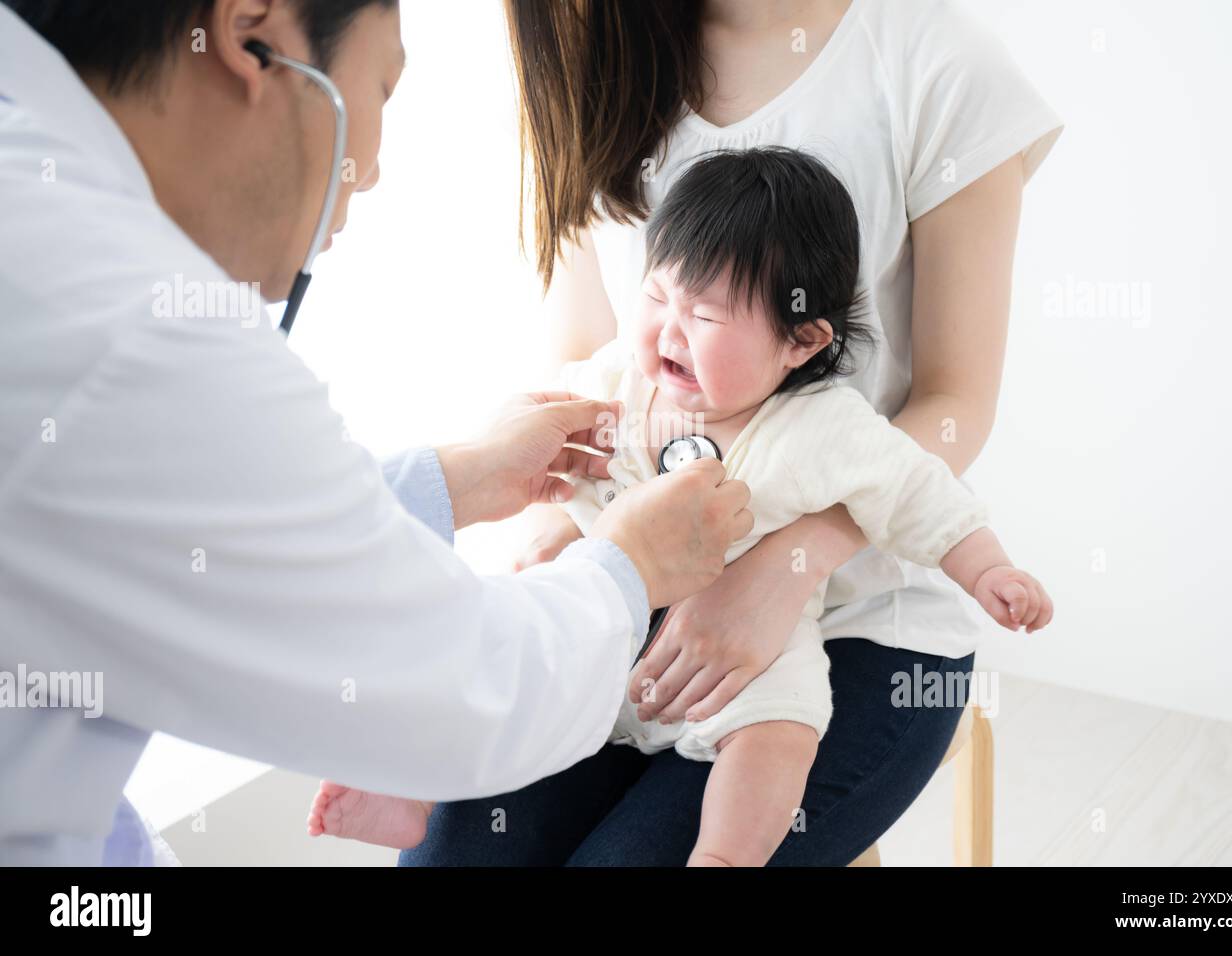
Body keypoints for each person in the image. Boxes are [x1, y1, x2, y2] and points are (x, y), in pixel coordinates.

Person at [0, 0, 751, 866]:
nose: (374, 170)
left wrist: (456, 480)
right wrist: (629, 564)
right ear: (252, 35)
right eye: (384, 89)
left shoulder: (54, 234)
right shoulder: (129, 334)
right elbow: (469, 689)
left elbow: (205, 528)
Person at [400, 0, 1065, 866]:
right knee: (454, 852)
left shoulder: (935, 64)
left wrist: (784, 567)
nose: (675, 331)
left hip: (865, 621)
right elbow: (582, 357)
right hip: (632, 595)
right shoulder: (587, 40)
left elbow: (952, 406)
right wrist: (558, 541)